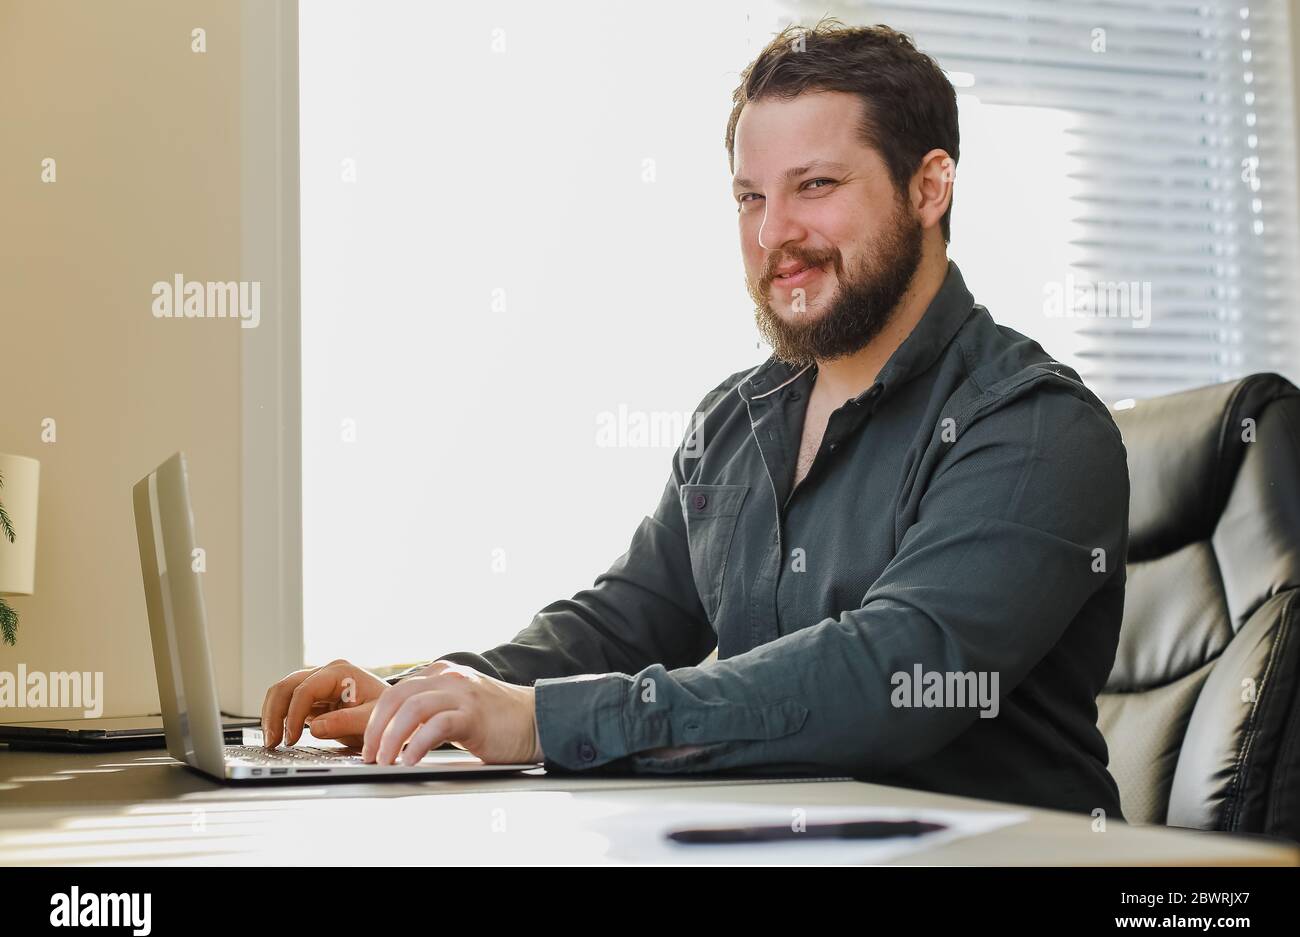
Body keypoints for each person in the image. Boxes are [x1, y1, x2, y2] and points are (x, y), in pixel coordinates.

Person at [262, 19, 1129, 819]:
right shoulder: (735, 419)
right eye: (751, 198)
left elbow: (891, 675)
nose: (773, 235)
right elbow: (621, 623)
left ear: (930, 187)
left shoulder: (1034, 427)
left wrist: (537, 722)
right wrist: (426, 691)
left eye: (816, 186)